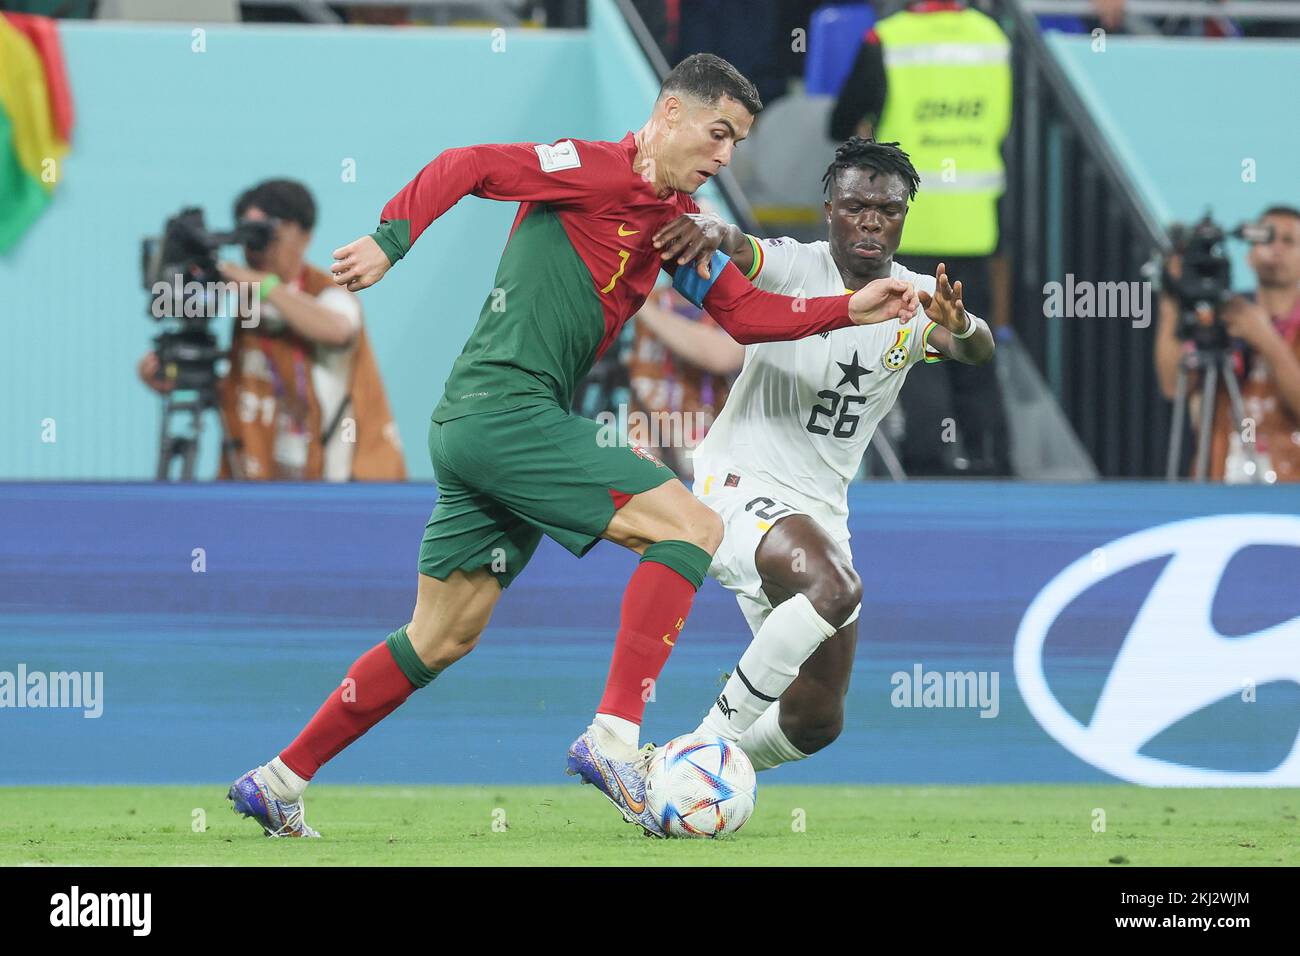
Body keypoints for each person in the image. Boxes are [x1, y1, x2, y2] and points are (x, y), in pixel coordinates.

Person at [228, 54, 921, 838]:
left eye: (737, 142)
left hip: (483, 428)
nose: (726, 156)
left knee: (441, 634)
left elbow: (750, 317)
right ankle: (614, 739)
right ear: (668, 115)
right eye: (718, 133)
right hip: (504, 410)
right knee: (692, 527)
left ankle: (279, 780)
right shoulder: (589, 169)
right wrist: (391, 239)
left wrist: (849, 308)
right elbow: (468, 165)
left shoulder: (671, 225)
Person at [649, 137, 993, 771]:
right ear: (829, 206)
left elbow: (977, 349)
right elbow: (743, 249)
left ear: (902, 217)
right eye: (856, 205)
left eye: (887, 210)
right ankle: (699, 751)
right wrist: (714, 230)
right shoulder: (794, 265)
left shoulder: (915, 297)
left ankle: (685, 775)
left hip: (821, 510)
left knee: (814, 720)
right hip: (737, 483)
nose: (871, 220)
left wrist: (964, 325)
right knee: (836, 584)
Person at [830, 0, 1012, 475]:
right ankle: (991, 463)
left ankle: (927, 467)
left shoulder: (886, 40)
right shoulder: (992, 38)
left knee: (917, 348)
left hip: (906, 225)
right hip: (975, 226)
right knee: (976, 346)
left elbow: (840, 122)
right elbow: (1000, 125)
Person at [137, 179, 405, 481]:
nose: (256, 250)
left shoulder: (327, 291)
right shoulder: (247, 302)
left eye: (266, 234)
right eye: (248, 237)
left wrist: (258, 284)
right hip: (267, 469)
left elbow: (337, 330)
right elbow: (242, 381)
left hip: (341, 475)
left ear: (303, 235)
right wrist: (175, 372)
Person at [1154, 206, 1300, 481]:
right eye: (1267, 238)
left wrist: (1266, 340)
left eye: (1289, 241)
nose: (1276, 248)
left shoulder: (1252, 325)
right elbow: (1173, 385)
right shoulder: (1220, 316)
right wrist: (1173, 302)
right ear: (1249, 254)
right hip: (1219, 481)